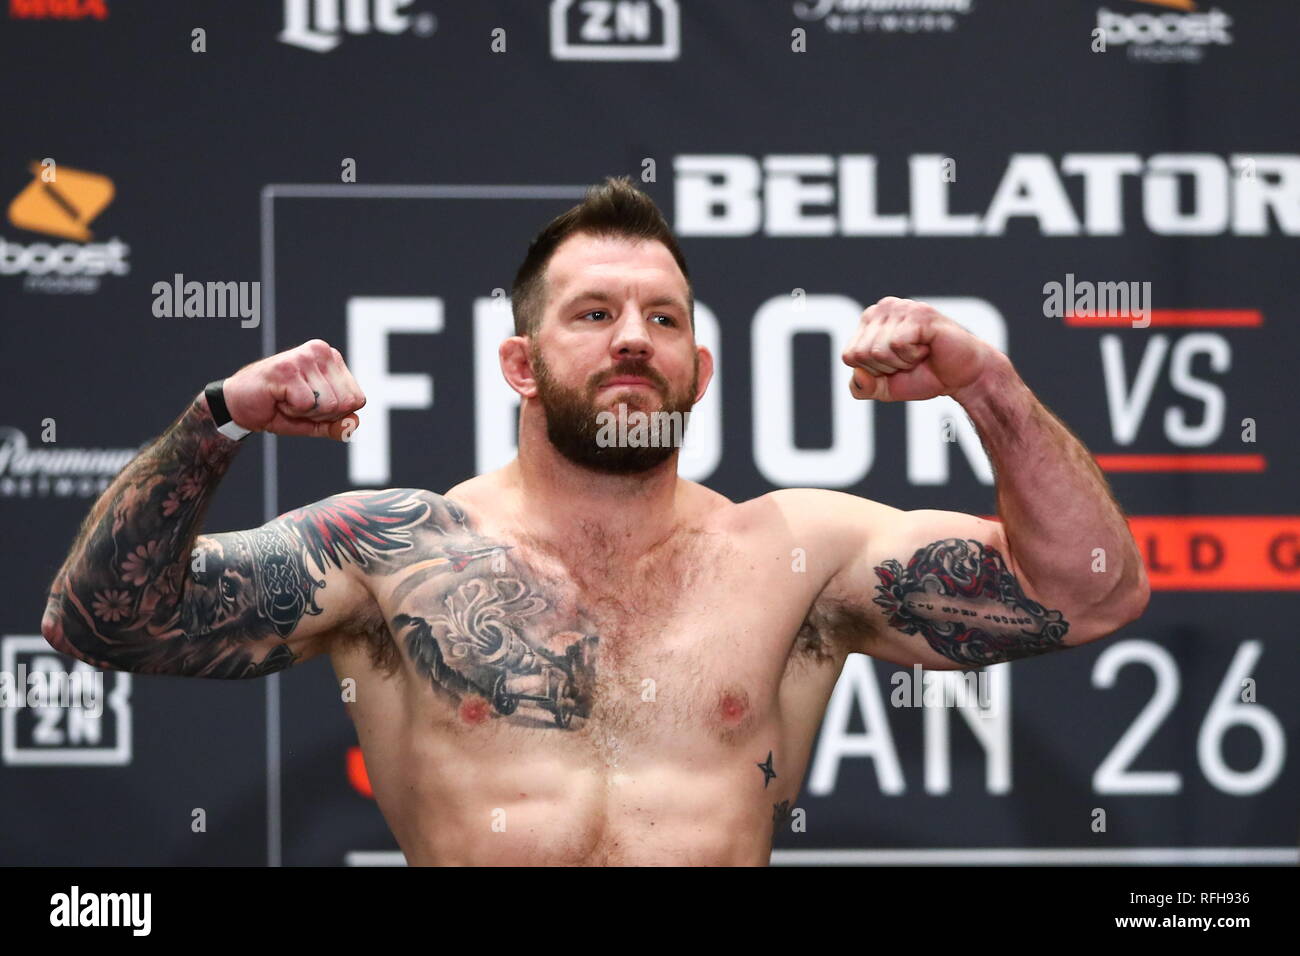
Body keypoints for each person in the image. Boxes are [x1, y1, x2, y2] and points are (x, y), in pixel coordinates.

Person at [42, 176, 1149, 865]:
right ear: (520, 363)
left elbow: (1091, 590)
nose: (633, 337)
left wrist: (986, 385)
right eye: (594, 313)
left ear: (700, 369)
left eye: (662, 317)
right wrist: (215, 425)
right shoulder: (394, 550)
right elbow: (103, 620)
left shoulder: (797, 555)